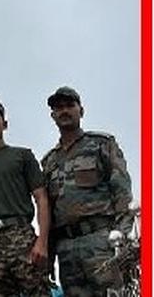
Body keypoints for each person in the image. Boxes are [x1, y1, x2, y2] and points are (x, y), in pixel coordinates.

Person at [41, 86, 132, 296]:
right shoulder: (49, 162)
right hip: (67, 250)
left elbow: (122, 193)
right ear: (53, 115)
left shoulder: (101, 144)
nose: (64, 111)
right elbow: (50, 211)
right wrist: (51, 254)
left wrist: (122, 239)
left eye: (69, 105)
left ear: (81, 110)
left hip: (101, 242)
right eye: (59, 108)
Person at [0, 97, 49, 297]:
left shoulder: (22, 156)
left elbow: (41, 199)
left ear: (4, 124)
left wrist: (42, 242)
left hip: (23, 237)